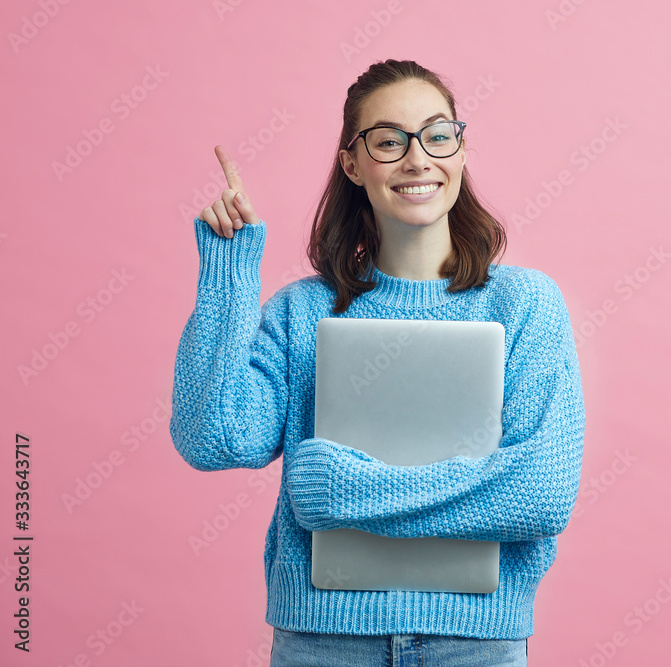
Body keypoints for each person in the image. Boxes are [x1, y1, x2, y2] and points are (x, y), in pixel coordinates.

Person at [170, 58, 586, 666]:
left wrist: (344, 489)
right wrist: (230, 276)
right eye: (388, 141)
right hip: (324, 643)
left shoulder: (525, 304)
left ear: (461, 152)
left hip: (475, 646)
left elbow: (540, 494)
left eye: (438, 135)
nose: (418, 159)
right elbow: (213, 439)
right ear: (352, 163)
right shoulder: (302, 311)